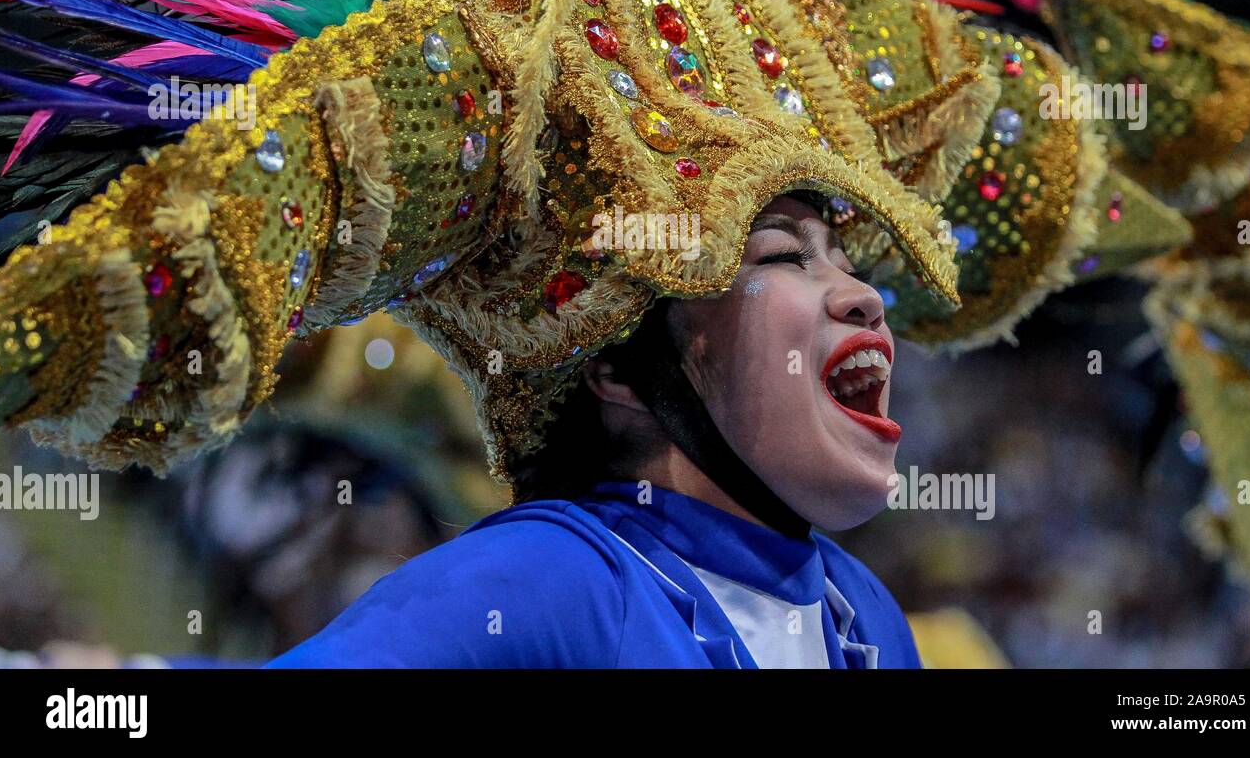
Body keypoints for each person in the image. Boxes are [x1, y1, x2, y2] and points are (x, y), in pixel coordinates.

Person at [268, 191, 921, 668]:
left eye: (845, 263)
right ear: (618, 370)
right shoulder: (552, 575)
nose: (865, 297)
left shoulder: (863, 615)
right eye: (782, 255)